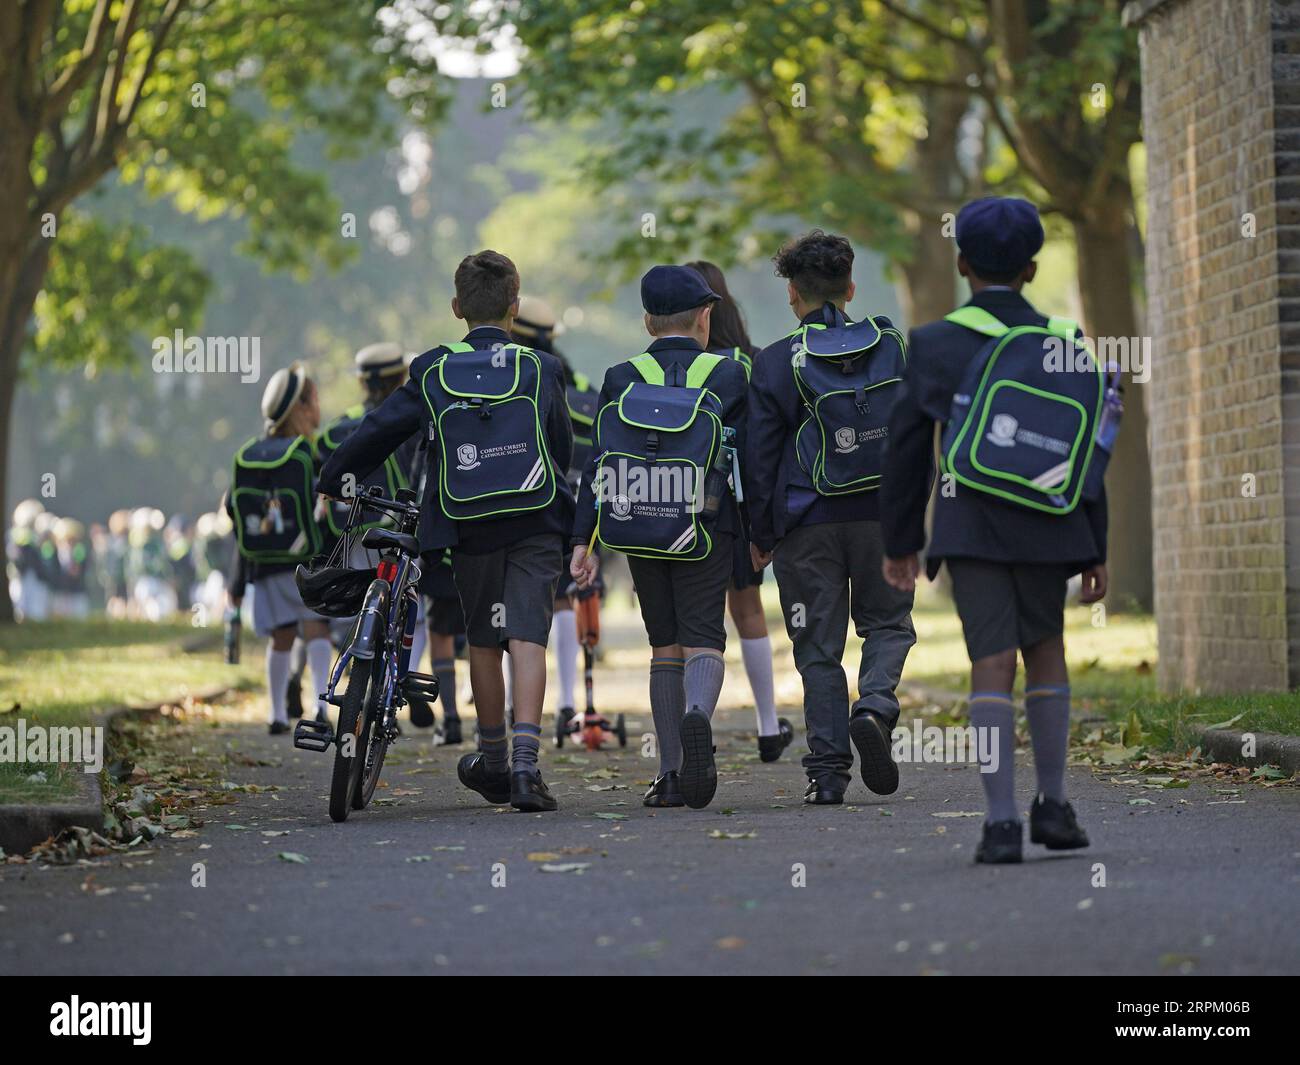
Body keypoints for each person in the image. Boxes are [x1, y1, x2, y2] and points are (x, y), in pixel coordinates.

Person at [881, 196, 1109, 864]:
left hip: (971, 523)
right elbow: (1091, 448)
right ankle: (1057, 804)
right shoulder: (1066, 342)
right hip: (1052, 521)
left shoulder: (934, 342)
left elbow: (904, 447)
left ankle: (1002, 821)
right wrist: (1096, 543)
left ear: (961, 263)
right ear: (1033, 269)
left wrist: (901, 541)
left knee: (990, 661)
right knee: (1045, 650)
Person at [319, 250, 574, 812]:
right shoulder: (542, 368)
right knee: (528, 634)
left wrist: (334, 474)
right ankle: (529, 769)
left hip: (470, 520)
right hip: (536, 516)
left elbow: (381, 428)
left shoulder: (432, 369)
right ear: (515, 306)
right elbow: (559, 447)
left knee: (483, 637)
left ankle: (495, 761)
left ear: (457, 307)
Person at [745, 230, 916, 805]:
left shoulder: (773, 364)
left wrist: (762, 534)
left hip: (807, 524)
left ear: (794, 294)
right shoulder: (891, 343)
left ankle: (827, 774)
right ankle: (874, 707)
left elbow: (761, 458)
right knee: (889, 625)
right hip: (883, 518)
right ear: (850, 288)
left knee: (817, 647)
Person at [571, 265, 749, 810]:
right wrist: (761, 532)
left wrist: (584, 540)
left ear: (648, 320)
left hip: (639, 527)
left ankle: (670, 774)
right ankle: (699, 713)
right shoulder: (727, 375)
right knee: (705, 638)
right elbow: (753, 460)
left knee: (662, 646)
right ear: (704, 317)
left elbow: (599, 463)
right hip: (706, 525)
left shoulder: (621, 377)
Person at [686, 260, 793, 763]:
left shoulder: (673, 366)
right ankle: (769, 727)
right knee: (749, 612)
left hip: (679, 509)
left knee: (693, 623)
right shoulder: (747, 363)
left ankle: (694, 723)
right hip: (736, 505)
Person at [226, 362, 335, 735]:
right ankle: (321, 707)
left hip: (266, 561)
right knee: (317, 629)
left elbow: (233, 508)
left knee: (281, 636)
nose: (318, 408)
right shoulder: (307, 453)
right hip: (305, 558)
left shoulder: (250, 453)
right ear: (300, 409)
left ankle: (275, 714)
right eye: (314, 400)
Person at [510, 295, 599, 734]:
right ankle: (566, 703)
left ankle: (516, 707)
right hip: (575, 498)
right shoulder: (578, 382)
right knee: (566, 596)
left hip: (523, 498)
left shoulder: (513, 376)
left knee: (512, 605)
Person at [7, 499, 50, 622]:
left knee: (33, 608)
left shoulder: (35, 536)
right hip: (21, 575)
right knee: (20, 606)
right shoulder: (18, 535)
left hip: (32, 575)